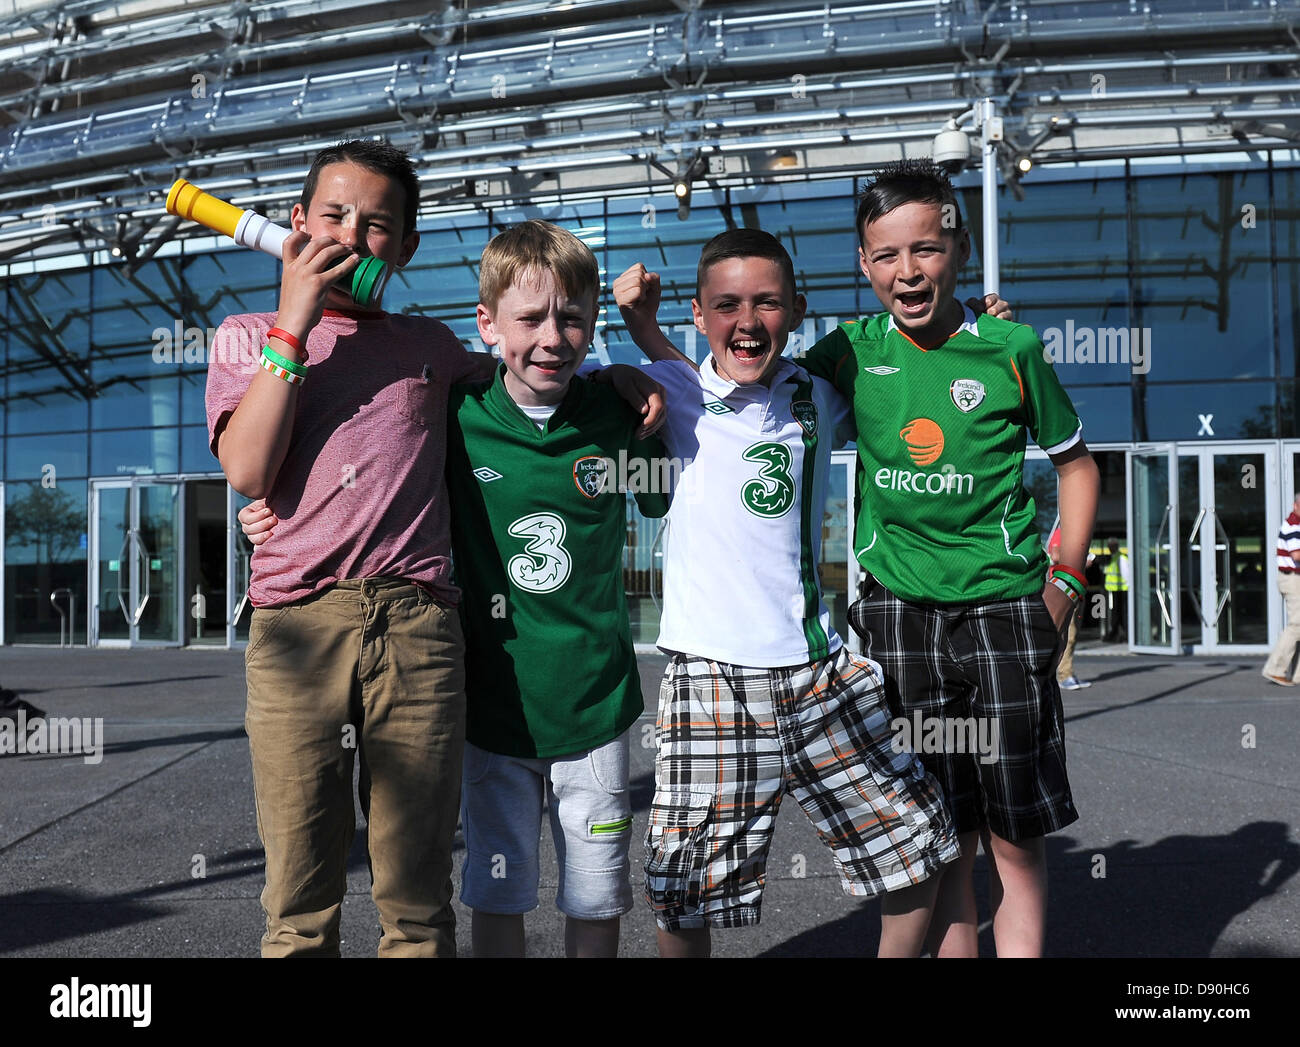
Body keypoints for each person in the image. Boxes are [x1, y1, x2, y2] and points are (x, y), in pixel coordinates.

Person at [209, 140, 662, 957]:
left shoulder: (434, 350)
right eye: (335, 217)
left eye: (378, 225)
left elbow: (530, 374)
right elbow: (247, 468)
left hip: (420, 626)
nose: (352, 237)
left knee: (417, 894)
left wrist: (617, 373)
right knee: (299, 890)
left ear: (406, 248)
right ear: (296, 224)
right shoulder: (247, 335)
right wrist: (295, 321)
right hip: (298, 624)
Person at [613, 228, 959, 958]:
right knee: (683, 891)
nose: (748, 320)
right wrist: (634, 349)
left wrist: (974, 326)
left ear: (797, 309)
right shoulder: (668, 389)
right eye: (727, 305)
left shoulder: (820, 394)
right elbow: (654, 381)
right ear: (700, 316)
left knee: (917, 840)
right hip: (708, 679)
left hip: (816, 670)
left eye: (767, 302)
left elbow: (921, 361)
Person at [798, 159, 1100, 957]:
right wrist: (646, 354)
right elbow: (743, 382)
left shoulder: (1011, 347)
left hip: (1006, 612)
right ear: (864, 265)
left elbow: (1078, 466)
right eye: (887, 255)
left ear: (957, 248)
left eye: (926, 249)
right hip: (897, 616)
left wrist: (1061, 587)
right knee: (943, 840)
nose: (908, 270)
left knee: (1013, 840)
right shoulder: (848, 351)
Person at [1262, 493, 1300, 686]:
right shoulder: (1293, 525)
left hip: (1294, 578)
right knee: (1297, 624)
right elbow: (1297, 554)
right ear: (1295, 505)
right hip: (1293, 579)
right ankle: (1275, 668)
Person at [1050, 527, 1092, 690]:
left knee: (1072, 635)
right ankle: (1064, 675)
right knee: (1068, 633)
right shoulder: (1062, 532)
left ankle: (1066, 673)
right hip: (1066, 588)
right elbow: (1055, 555)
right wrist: (1082, 561)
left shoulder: (1069, 533)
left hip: (1074, 587)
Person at [1103, 537, 1130, 642]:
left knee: (1122, 614)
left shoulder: (1121, 558)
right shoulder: (1114, 558)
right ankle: (1117, 634)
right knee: (1117, 614)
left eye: (1111, 546)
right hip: (1116, 590)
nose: (1109, 548)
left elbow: (1127, 575)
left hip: (1123, 590)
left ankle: (1123, 634)